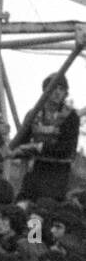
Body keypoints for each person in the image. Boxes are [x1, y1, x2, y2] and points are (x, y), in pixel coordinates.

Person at [12, 74, 81, 203]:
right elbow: (20, 143)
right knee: (22, 205)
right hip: (36, 170)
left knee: (43, 211)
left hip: (57, 174)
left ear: (66, 92)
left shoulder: (71, 117)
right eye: (54, 88)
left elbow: (66, 149)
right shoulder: (34, 114)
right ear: (45, 91)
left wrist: (37, 147)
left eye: (61, 89)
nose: (57, 92)